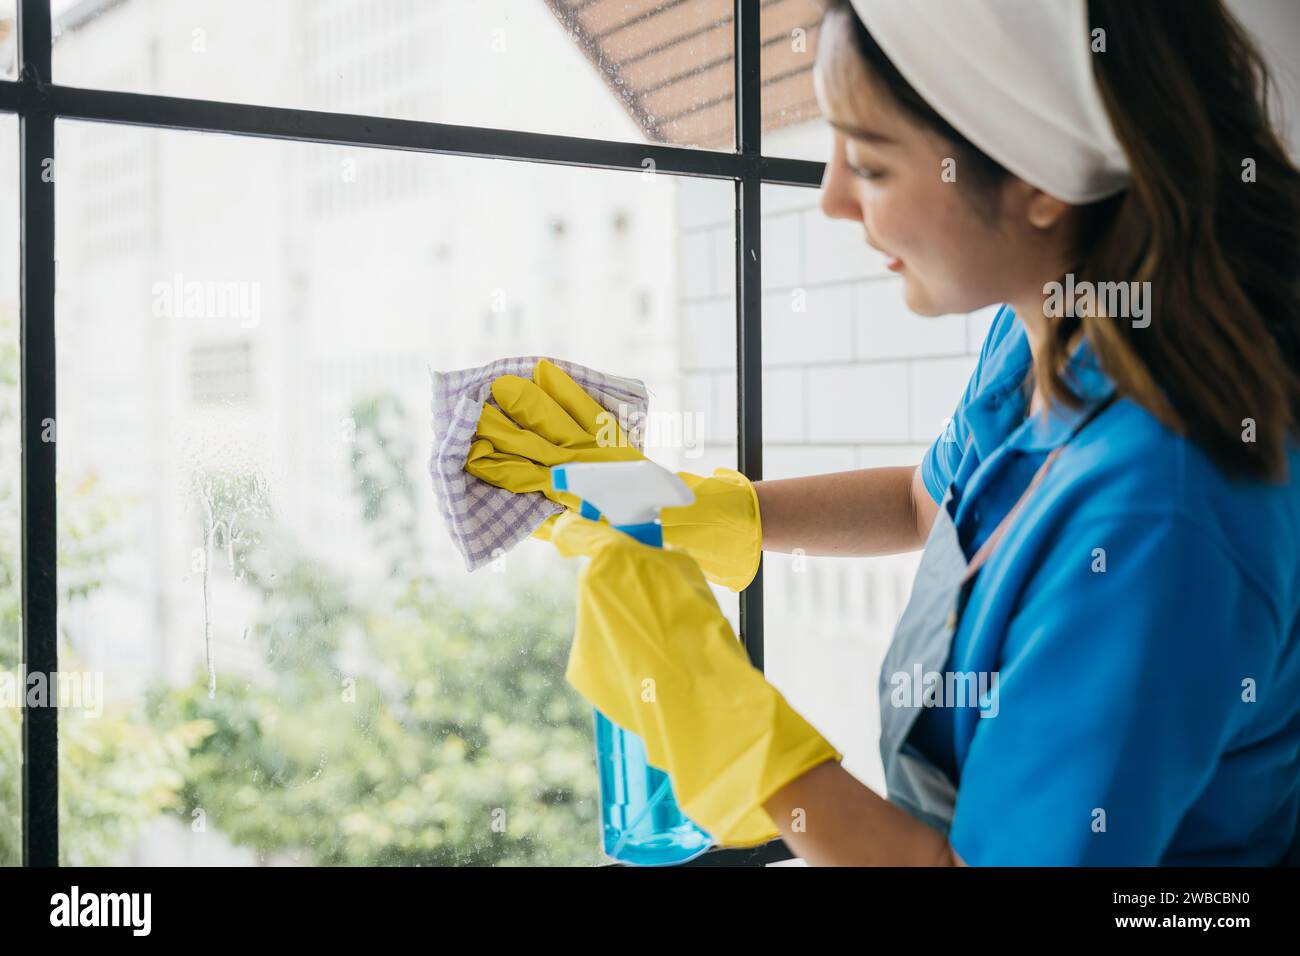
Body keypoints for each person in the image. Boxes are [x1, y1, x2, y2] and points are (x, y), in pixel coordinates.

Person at [466, 0, 1300, 865]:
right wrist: (706, 509)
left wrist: (737, 741)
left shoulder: (1158, 518)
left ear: (1039, 178)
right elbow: (925, 502)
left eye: (868, 162)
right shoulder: (1047, 328)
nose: (829, 198)